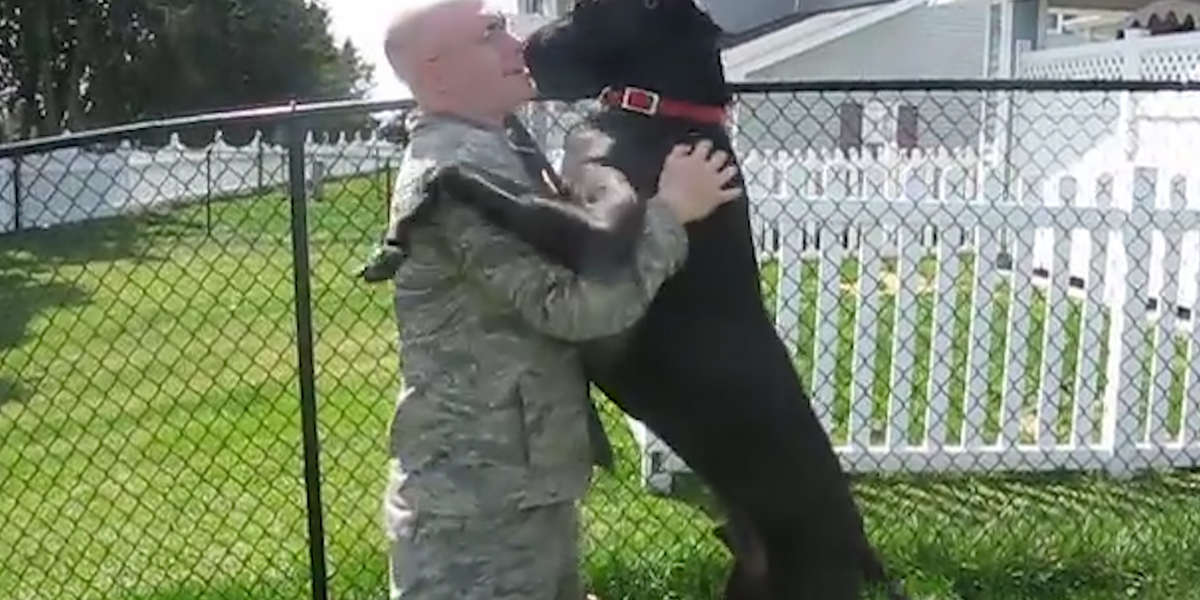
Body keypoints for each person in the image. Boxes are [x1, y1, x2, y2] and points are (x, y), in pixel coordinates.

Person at [370, 1, 741, 598]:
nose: (516, 42)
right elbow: (575, 307)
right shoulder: (454, 175)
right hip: (475, 508)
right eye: (490, 33)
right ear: (438, 73)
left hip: (515, 482)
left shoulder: (497, 146)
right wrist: (672, 213)